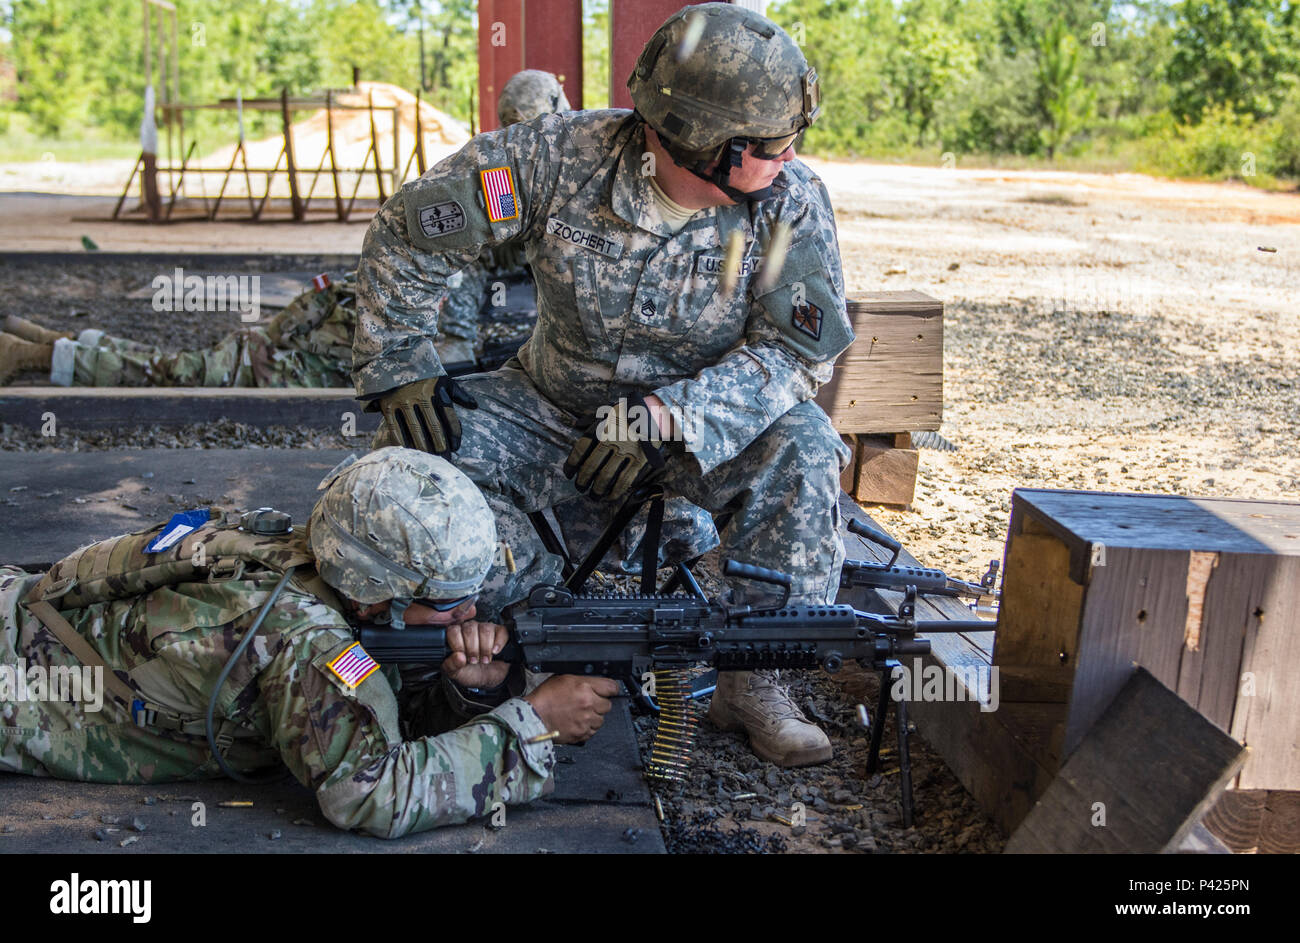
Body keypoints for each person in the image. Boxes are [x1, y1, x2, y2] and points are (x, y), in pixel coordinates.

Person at [352, 4, 852, 767]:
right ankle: (527, 637)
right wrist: (398, 360)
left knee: (809, 447)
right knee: (416, 462)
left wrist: (670, 416)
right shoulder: (553, 161)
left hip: (695, 428)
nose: (789, 158)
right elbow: (414, 228)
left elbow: (795, 354)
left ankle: (754, 681)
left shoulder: (788, 205)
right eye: (772, 145)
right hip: (549, 411)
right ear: (697, 139)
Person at [0, 447, 617, 838]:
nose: (470, 612)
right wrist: (532, 726)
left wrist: (466, 693)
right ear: (378, 593)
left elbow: (372, 707)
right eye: (444, 600)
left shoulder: (300, 552)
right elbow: (369, 792)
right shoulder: (306, 644)